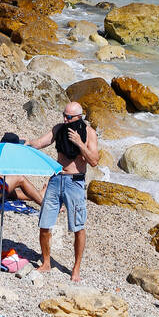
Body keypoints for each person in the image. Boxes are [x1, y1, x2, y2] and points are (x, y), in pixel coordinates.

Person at [28, 100, 99, 282]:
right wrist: (21, 143)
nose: (66, 120)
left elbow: (94, 160)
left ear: (78, 117)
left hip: (75, 183)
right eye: (64, 116)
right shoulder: (59, 129)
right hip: (56, 179)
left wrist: (80, 144)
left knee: (78, 227)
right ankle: (46, 262)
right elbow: (39, 143)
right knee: (44, 224)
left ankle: (76, 269)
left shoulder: (89, 133)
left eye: (69, 117)